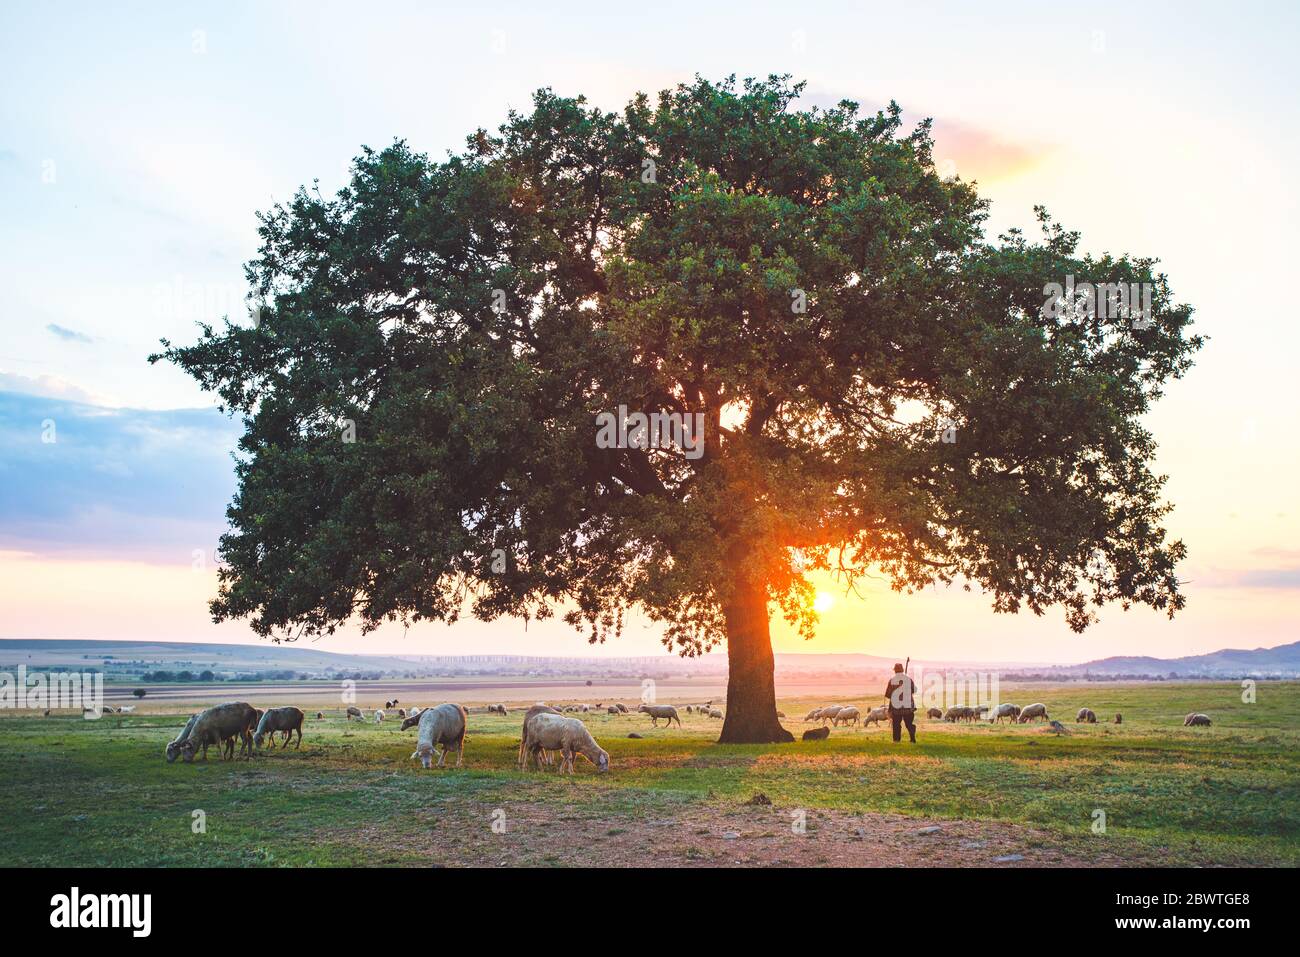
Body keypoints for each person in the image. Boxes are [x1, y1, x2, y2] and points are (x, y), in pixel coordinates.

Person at [883, 662, 917, 743]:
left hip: (896, 708)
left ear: (895, 671)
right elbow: (914, 690)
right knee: (909, 724)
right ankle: (912, 739)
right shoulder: (908, 679)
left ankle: (896, 741)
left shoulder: (892, 680)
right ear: (902, 670)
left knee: (896, 725)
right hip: (908, 707)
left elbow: (888, 694)